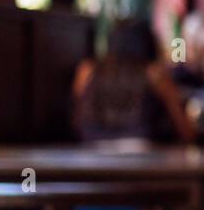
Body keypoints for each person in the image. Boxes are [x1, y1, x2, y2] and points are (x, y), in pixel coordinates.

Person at [72, 17, 196, 145]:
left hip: (91, 151)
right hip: (144, 155)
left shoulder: (87, 71)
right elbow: (184, 129)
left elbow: (76, 118)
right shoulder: (155, 75)